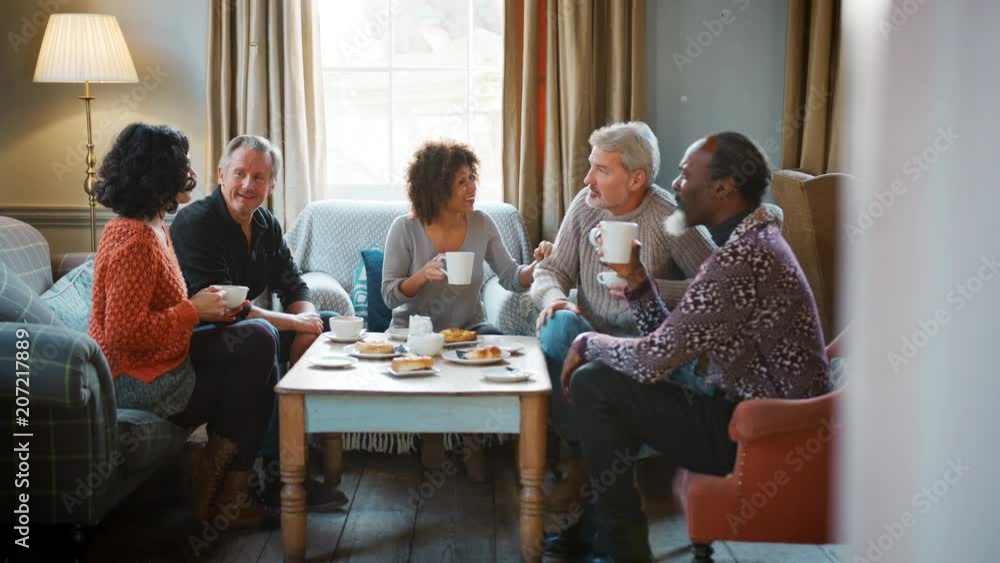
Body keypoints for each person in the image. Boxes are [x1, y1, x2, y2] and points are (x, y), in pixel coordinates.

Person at [556, 132, 832, 562]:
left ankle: (618, 549)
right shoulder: (750, 245)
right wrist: (635, 280)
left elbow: (652, 361)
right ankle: (609, 539)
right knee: (601, 381)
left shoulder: (742, 261)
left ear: (722, 188)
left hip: (768, 434)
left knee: (595, 384)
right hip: (748, 415)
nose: (677, 185)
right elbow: (667, 343)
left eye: (686, 175)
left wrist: (586, 340)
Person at [89, 123, 278, 529]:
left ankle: (231, 487)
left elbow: (165, 307)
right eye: (183, 162)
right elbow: (124, 335)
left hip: (163, 357)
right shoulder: (134, 238)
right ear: (160, 173)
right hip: (135, 378)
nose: (191, 170)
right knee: (259, 347)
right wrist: (192, 311)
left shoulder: (155, 226)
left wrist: (201, 307)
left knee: (261, 342)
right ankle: (220, 478)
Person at [529, 121, 719, 516]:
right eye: (590, 166)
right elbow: (552, 271)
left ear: (636, 178)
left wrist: (647, 286)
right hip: (591, 341)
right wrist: (555, 299)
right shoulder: (585, 205)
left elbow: (718, 287)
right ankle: (583, 458)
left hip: (651, 352)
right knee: (558, 324)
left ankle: (601, 471)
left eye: (601, 169)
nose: (587, 179)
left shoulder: (670, 216)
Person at [170, 134, 347, 512]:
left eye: (259, 177)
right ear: (221, 174)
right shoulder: (195, 222)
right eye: (239, 173)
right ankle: (266, 477)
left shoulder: (266, 223)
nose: (248, 185)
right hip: (197, 339)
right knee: (262, 335)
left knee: (328, 326)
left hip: (247, 333)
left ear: (272, 185)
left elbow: (293, 282)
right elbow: (224, 306)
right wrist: (296, 324)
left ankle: (285, 466)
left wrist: (307, 323)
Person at [381, 140, 553, 481]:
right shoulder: (405, 228)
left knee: (495, 345)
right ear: (435, 186)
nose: (472, 187)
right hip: (415, 333)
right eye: (462, 181)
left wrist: (537, 265)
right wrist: (421, 276)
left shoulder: (482, 223)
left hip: (470, 328)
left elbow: (511, 277)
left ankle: (472, 438)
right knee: (426, 364)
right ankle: (431, 436)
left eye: (472, 177)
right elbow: (389, 296)